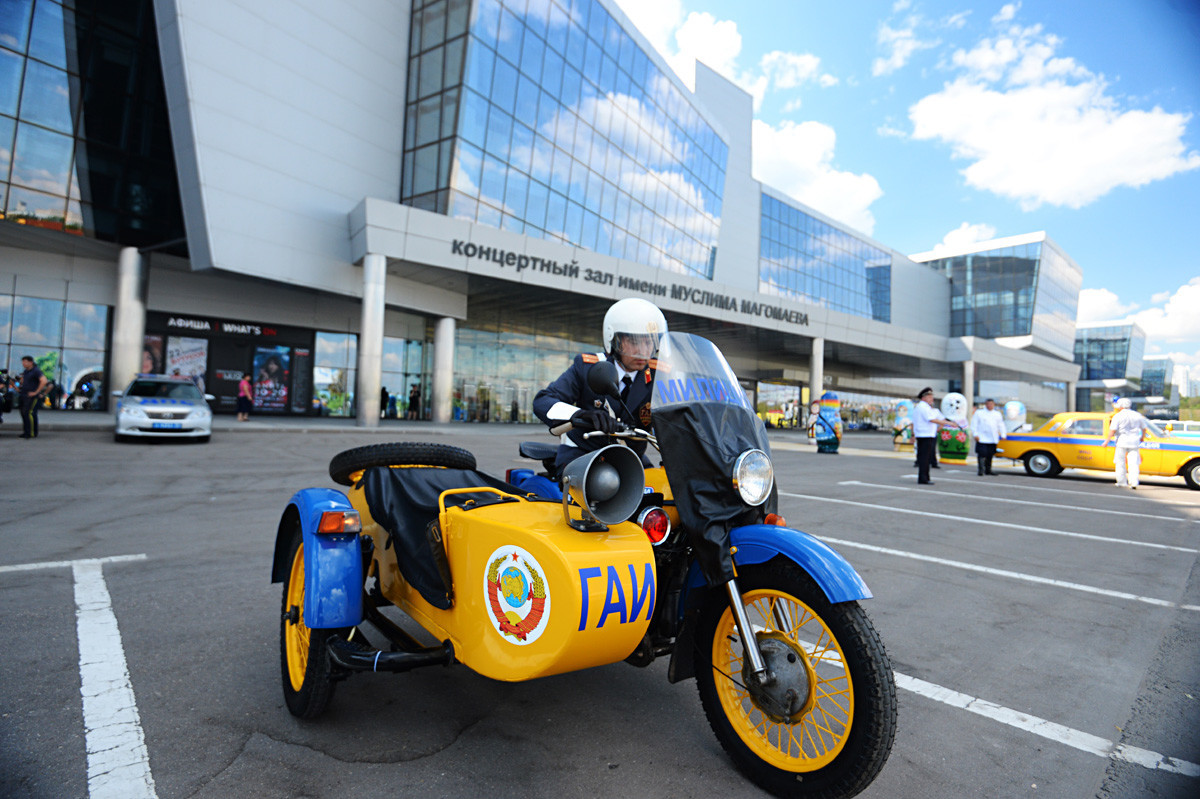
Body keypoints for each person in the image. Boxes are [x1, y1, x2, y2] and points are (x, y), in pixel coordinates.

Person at [533, 298, 666, 474]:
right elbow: (543, 400)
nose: (643, 351)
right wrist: (580, 414)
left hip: (630, 457)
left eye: (649, 342)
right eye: (635, 342)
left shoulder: (660, 376)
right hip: (583, 454)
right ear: (614, 339)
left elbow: (680, 415)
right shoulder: (588, 367)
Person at [912, 387, 962, 485]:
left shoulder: (929, 408)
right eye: (929, 397)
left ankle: (925, 477)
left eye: (932, 397)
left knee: (926, 458)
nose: (932, 399)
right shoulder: (922, 407)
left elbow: (939, 417)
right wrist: (949, 424)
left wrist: (949, 422)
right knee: (924, 458)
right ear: (923, 398)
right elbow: (931, 419)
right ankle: (923, 478)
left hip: (928, 434)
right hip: (924, 435)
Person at [1102, 397, 1151, 489]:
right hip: (1134, 442)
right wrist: (1142, 437)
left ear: (1120, 406)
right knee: (1134, 463)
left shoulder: (1118, 416)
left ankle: (1121, 482)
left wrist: (1106, 441)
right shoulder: (1137, 415)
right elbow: (1144, 428)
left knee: (1120, 462)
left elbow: (1112, 430)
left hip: (1121, 441)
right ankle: (1134, 482)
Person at [971, 398, 1007, 476]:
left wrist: (1003, 434)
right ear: (985, 404)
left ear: (993, 405)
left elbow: (1001, 425)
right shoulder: (979, 413)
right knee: (981, 454)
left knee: (990, 455)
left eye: (991, 404)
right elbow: (974, 424)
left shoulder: (997, 414)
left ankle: (988, 470)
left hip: (992, 438)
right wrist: (975, 434)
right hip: (981, 437)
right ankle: (981, 470)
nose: (989, 406)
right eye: (988, 404)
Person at [18, 356, 49, 439]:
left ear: (31, 362)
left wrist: (36, 392)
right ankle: (26, 431)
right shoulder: (26, 371)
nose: (23, 363)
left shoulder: (36, 371)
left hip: (31, 396)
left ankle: (31, 432)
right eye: (23, 362)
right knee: (23, 413)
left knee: (29, 413)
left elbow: (44, 381)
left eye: (25, 362)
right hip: (24, 394)